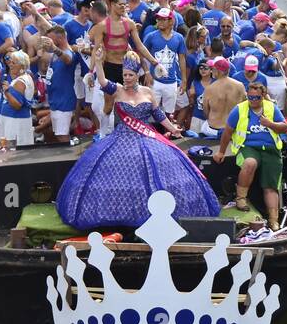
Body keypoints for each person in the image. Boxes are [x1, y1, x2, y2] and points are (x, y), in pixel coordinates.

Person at [57, 53, 220, 228]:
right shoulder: (117, 89)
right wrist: (98, 61)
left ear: (137, 76)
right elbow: (103, 81)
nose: (126, 78)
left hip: (146, 137)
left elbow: (158, 115)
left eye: (130, 75)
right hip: (121, 137)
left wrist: (173, 129)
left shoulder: (148, 92)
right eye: (124, 75)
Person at [213, 80, 287, 229]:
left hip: (270, 150)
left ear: (263, 96)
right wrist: (221, 151)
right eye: (250, 97)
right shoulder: (239, 110)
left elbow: (284, 127)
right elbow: (227, 131)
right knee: (250, 163)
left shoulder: (271, 108)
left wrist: (270, 124)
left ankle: (274, 220)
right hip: (248, 147)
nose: (253, 100)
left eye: (257, 98)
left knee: (271, 187)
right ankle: (241, 198)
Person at [0, 50, 37, 148]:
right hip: (12, 120)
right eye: (10, 62)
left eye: (14, 63)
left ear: (22, 66)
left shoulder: (21, 82)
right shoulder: (24, 78)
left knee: (13, 151)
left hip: (15, 122)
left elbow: (17, 105)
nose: (10, 64)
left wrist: (6, 92)